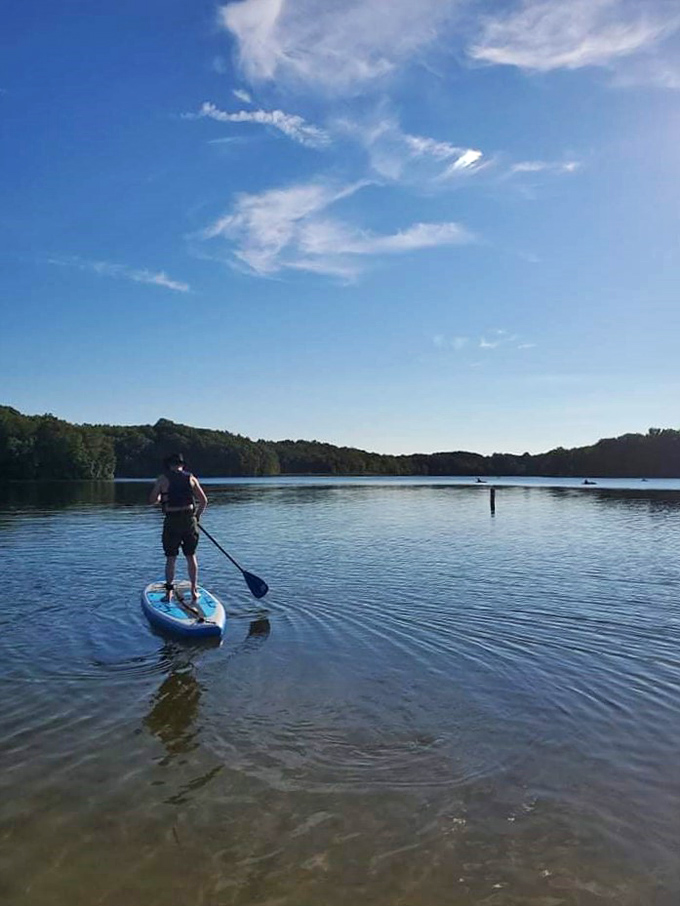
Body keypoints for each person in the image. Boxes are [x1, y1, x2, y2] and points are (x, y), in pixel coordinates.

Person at [149, 453, 208, 607]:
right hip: (189, 520)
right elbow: (203, 501)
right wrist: (197, 517)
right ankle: (194, 591)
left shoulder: (162, 479)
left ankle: (168, 594)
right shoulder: (191, 478)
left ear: (169, 465)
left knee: (171, 558)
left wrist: (162, 497)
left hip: (172, 520)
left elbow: (152, 500)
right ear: (182, 465)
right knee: (191, 556)